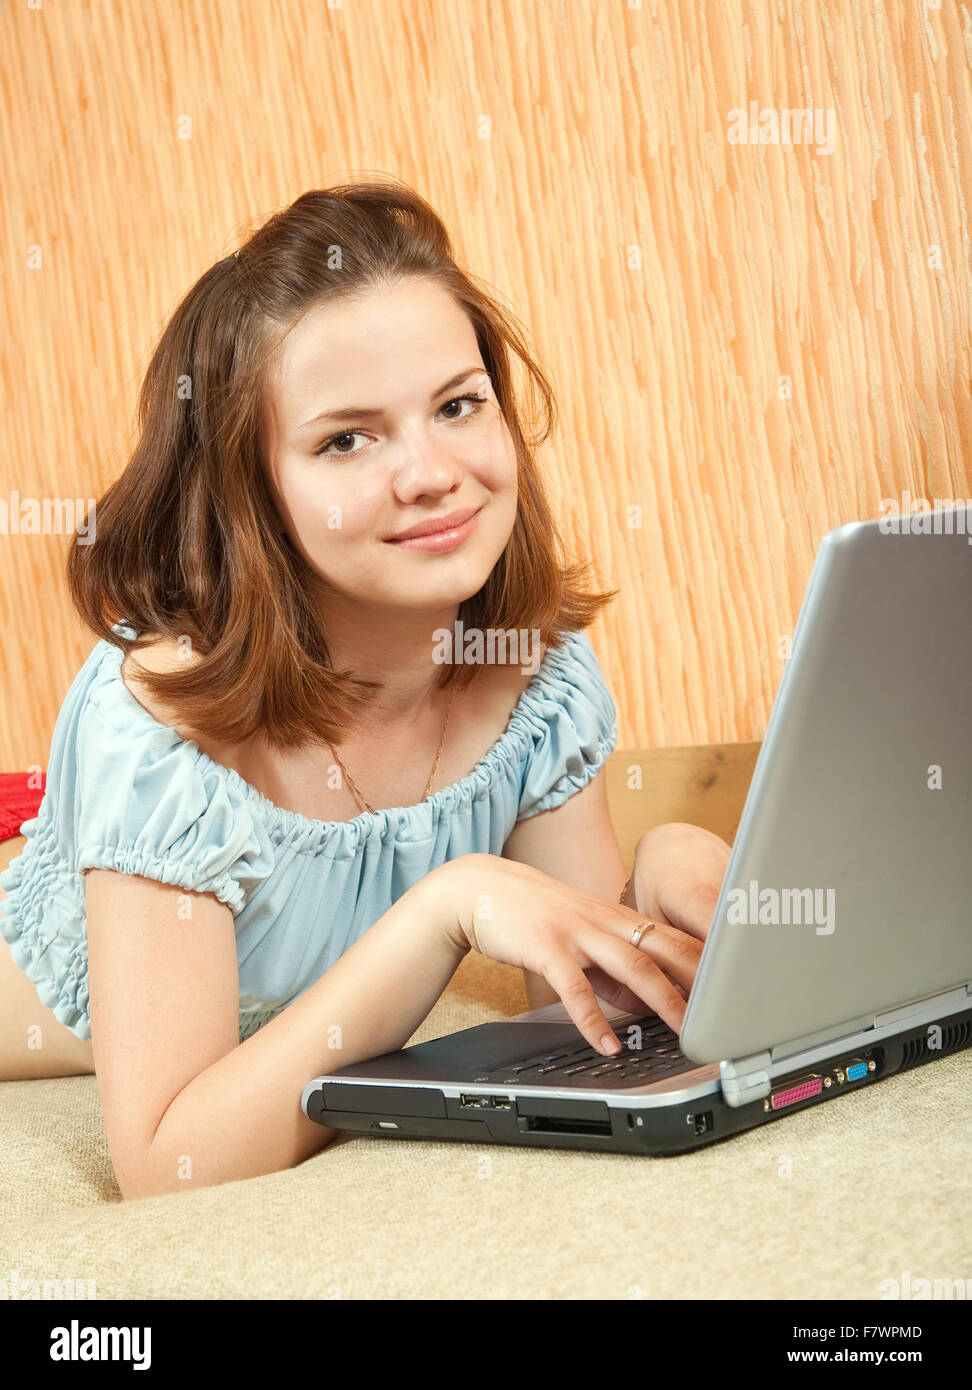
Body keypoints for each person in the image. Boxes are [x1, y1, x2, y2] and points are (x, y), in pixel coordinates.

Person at [0, 180, 730, 1198]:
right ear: (253, 493)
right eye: (347, 438)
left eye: (457, 406)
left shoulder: (532, 674)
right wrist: (447, 906)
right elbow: (168, 1160)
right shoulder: (160, 728)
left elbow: (572, 1016)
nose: (431, 473)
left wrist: (650, 889)